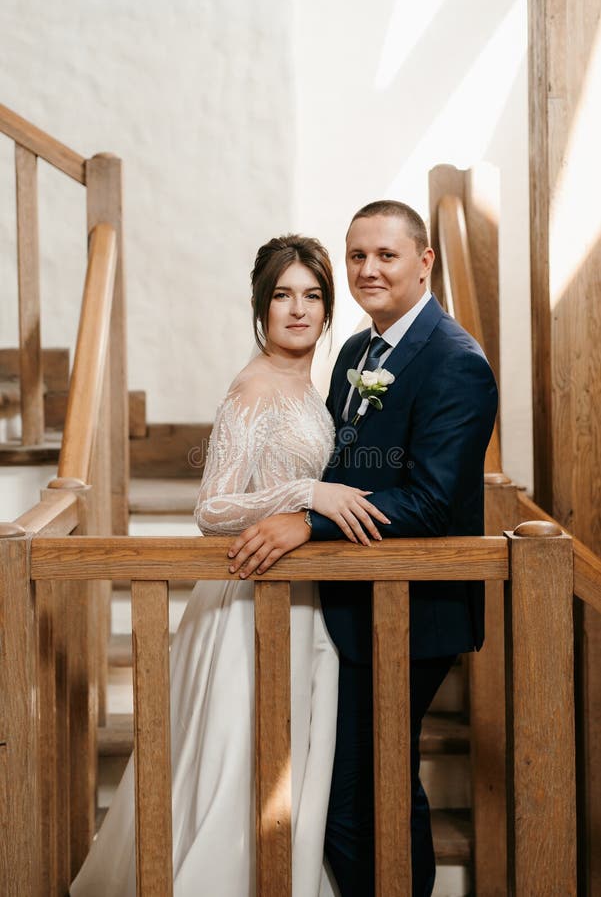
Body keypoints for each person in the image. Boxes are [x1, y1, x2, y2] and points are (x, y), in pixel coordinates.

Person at [70, 233, 389, 897]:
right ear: (260, 306)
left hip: (304, 601)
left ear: (327, 309)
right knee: (238, 767)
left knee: (284, 768)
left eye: (311, 295)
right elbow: (212, 508)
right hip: (247, 604)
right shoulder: (253, 386)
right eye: (282, 296)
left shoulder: (311, 385)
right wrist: (305, 493)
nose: (297, 310)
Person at [228, 201, 499, 896]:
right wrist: (297, 497)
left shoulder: (455, 361)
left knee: (364, 793)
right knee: (363, 786)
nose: (368, 269)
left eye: (386, 255)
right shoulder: (355, 350)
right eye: (356, 256)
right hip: (353, 601)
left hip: (416, 609)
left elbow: (432, 500)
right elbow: (345, 466)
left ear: (424, 262)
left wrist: (306, 521)